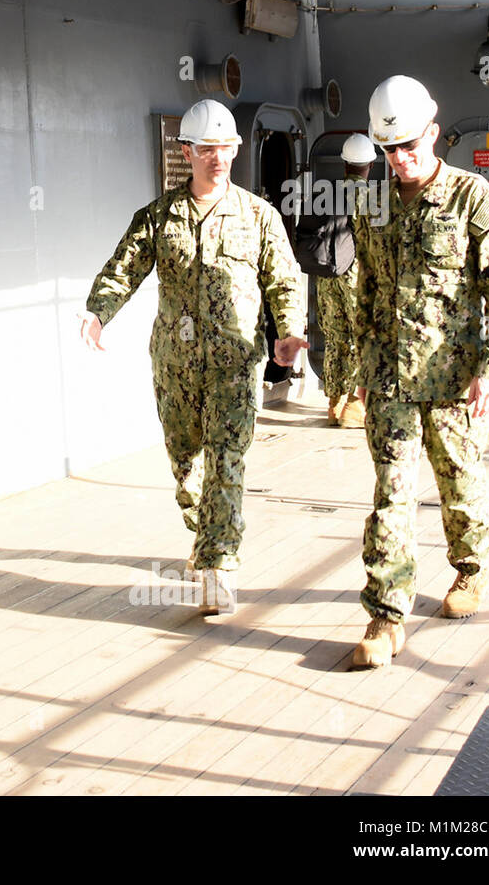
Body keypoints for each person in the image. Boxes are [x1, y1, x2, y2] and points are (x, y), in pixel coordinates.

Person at [80, 99, 307, 615]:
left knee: (227, 461)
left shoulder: (258, 216)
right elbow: (125, 267)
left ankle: (216, 565)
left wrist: (290, 332)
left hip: (234, 365)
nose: (217, 158)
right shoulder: (159, 218)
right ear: (187, 152)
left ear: (235, 150)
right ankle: (205, 534)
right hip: (175, 366)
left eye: (225, 148)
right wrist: (98, 312)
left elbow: (284, 279)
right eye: (206, 149)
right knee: (187, 466)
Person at [349, 76, 489, 669]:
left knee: (460, 485)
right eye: (388, 150)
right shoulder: (370, 205)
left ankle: (470, 571)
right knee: (390, 496)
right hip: (391, 383)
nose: (399, 160)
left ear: (433, 131)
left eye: (409, 146)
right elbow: (368, 292)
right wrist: (362, 367)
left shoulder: (473, 198)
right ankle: (386, 614)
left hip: (455, 382)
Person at [317, 133, 374, 429]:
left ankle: (333, 402)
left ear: (345, 164)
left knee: (335, 338)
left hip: (327, 274)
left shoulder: (327, 192)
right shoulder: (373, 197)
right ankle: (354, 404)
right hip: (355, 274)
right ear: (370, 164)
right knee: (359, 338)